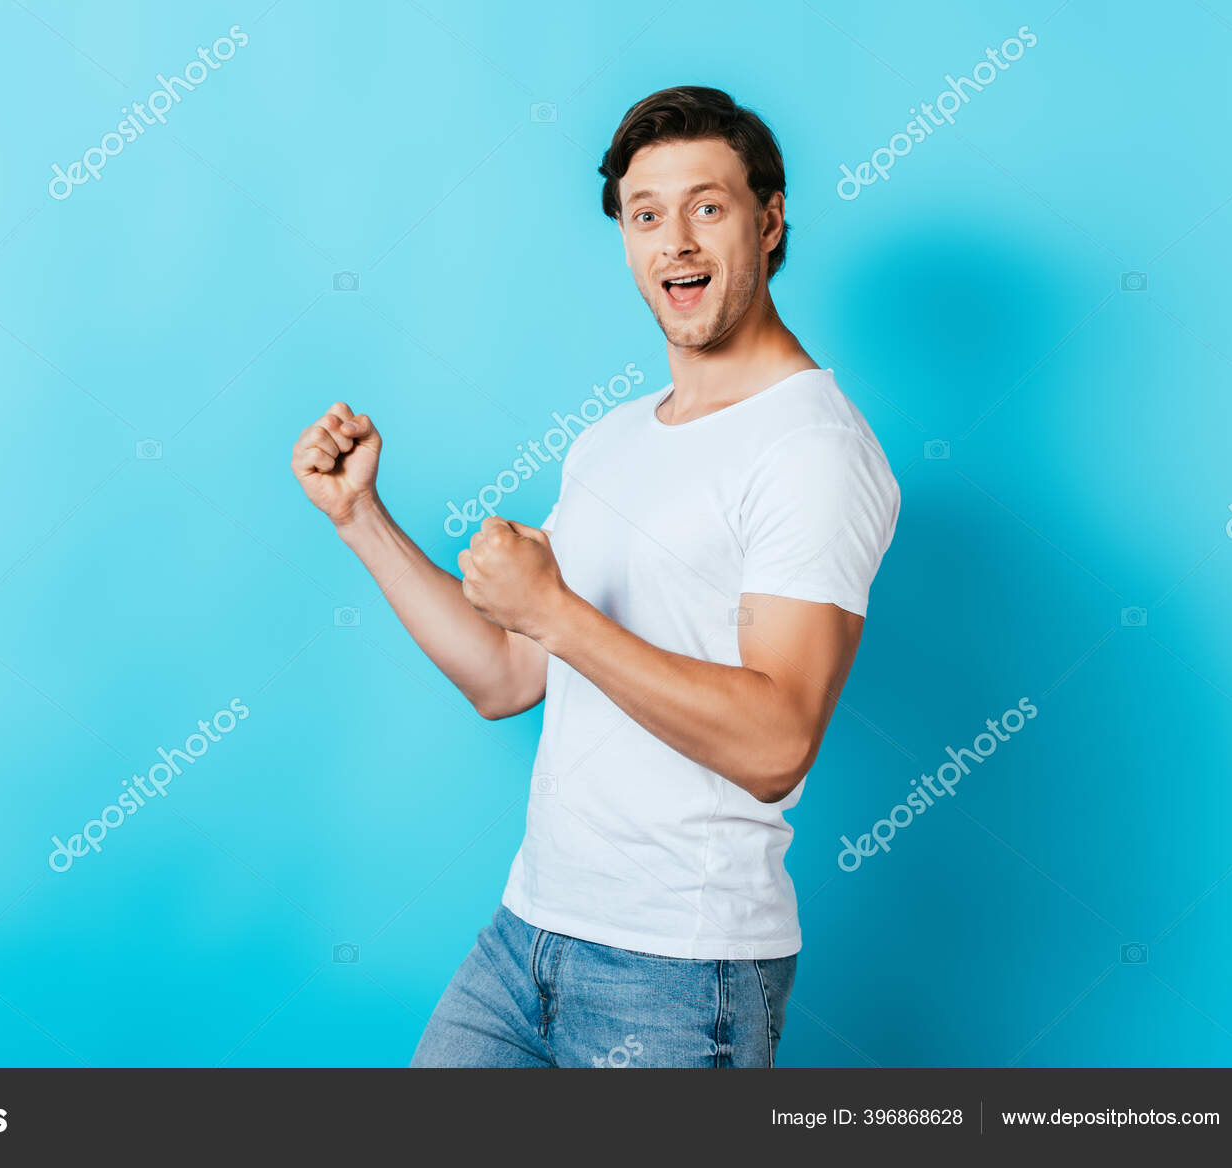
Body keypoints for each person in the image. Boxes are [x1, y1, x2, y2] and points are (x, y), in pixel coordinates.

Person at [290, 85, 901, 1068]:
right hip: (527, 934)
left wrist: (559, 613)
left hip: (681, 973)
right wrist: (361, 518)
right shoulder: (614, 439)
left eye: (708, 207)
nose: (677, 244)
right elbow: (505, 674)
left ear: (770, 219)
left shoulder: (810, 447)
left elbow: (778, 741)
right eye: (646, 214)